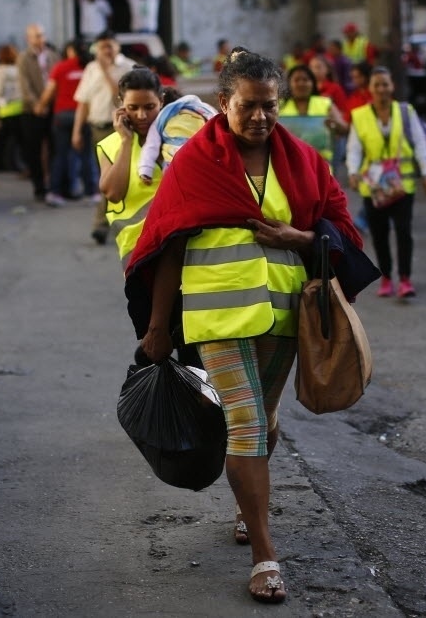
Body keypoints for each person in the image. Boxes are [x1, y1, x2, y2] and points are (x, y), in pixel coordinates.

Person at [127, 47, 360, 604]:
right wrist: (159, 326)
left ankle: (244, 506)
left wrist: (298, 238)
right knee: (248, 424)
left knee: (266, 418)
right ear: (223, 102)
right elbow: (166, 247)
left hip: (284, 318)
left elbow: (342, 233)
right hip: (216, 318)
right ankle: (264, 554)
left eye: (270, 106)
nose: (260, 117)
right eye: (248, 106)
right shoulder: (193, 164)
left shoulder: (304, 159)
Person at [346, 66, 426, 298]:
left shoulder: (405, 112)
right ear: (370, 89)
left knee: (404, 231)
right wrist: (353, 172)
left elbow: (420, 143)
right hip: (373, 187)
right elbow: (354, 148)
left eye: (385, 84)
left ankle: (405, 279)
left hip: (402, 186)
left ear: (392, 86)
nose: (382, 89)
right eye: (377, 85)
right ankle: (386, 277)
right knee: (379, 233)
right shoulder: (360, 116)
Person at [94, 67, 166, 269]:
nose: (141, 115)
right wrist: (126, 142)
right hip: (136, 249)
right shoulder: (111, 145)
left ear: (162, 100)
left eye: (149, 106)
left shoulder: (176, 137)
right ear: (121, 104)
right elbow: (113, 193)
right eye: (133, 107)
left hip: (177, 243)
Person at [72, 31, 135, 241]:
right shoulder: (91, 68)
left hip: (119, 129)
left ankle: (101, 225)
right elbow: (83, 101)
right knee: (106, 178)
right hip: (96, 128)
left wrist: (107, 71)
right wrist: (76, 131)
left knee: (111, 179)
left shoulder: (128, 67)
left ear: (117, 46)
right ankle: (114, 223)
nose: (105, 51)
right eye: (101, 47)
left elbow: (121, 100)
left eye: (109, 46)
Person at [35, 40, 91, 205]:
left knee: (60, 155)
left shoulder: (61, 67)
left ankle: (55, 192)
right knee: (87, 155)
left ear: (70, 50)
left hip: (63, 116)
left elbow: (50, 91)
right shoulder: (89, 67)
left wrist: (40, 106)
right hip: (85, 116)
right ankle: (92, 192)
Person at [137, 87, 218, 184]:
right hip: (203, 162)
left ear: (162, 104)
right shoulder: (204, 112)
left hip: (175, 163)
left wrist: (145, 170)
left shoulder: (161, 117)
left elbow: (151, 145)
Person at [17, 24, 60, 201]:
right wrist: (37, 105)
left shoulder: (52, 56)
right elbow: (25, 85)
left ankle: (54, 185)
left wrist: (50, 104)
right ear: (29, 39)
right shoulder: (23, 58)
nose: (40, 39)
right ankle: (39, 187)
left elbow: (57, 81)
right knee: (33, 150)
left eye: (41, 35)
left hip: (52, 108)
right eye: (36, 36)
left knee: (55, 148)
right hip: (32, 110)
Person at [277, 64, 347, 165]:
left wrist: (335, 124)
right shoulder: (278, 105)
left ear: (312, 83)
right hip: (288, 163)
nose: (301, 83)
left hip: (321, 164)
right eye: (296, 80)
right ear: (289, 84)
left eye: (305, 80)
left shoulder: (325, 103)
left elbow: (345, 129)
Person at [0, 44, 23, 172]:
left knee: (1, 140)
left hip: (7, 108)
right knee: (19, 140)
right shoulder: (19, 68)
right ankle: (24, 165)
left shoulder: (2, 70)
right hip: (21, 107)